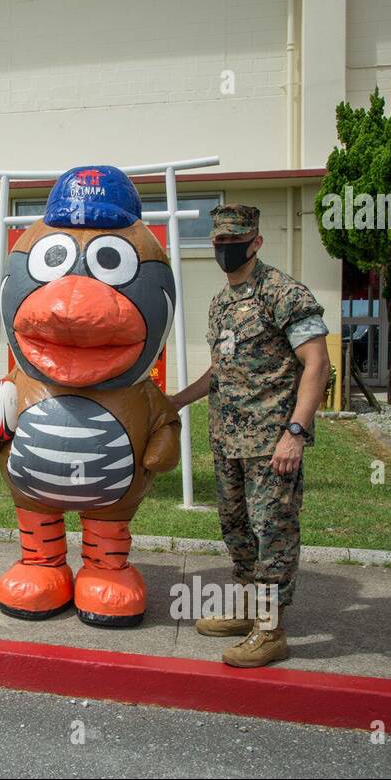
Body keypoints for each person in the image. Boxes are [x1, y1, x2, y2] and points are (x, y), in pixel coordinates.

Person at [168, 204, 330, 668]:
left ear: (256, 242)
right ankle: (248, 612)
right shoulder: (222, 302)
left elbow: (317, 365)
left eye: (234, 241)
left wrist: (295, 432)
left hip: (271, 444)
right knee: (237, 532)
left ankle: (270, 630)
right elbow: (221, 370)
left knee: (271, 534)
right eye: (219, 242)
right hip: (228, 441)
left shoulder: (283, 293)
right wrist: (175, 402)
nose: (225, 249)